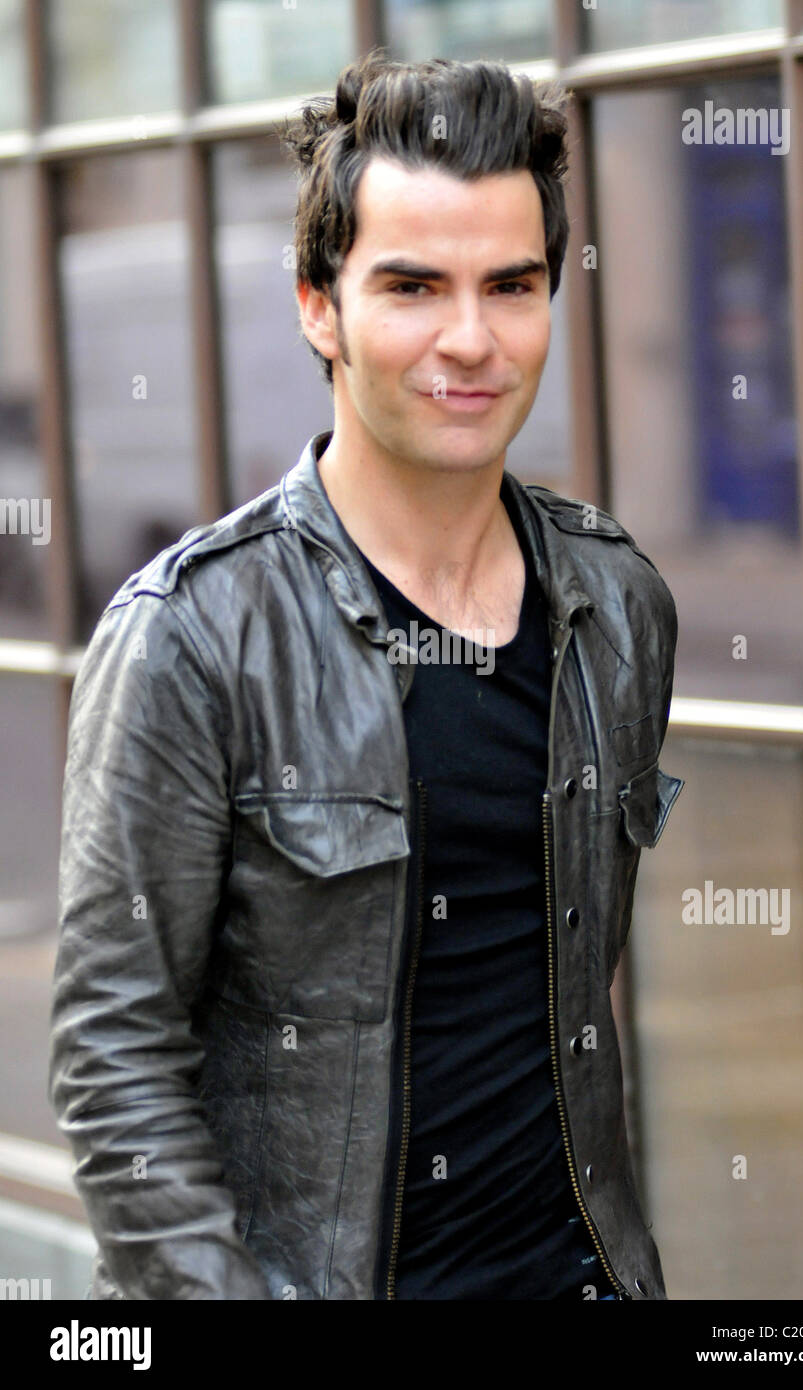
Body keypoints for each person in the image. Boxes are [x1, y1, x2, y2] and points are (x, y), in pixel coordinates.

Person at [48, 47, 684, 1301]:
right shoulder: (192, 635)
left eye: (511, 284)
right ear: (317, 305)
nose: (470, 339)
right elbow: (114, 1056)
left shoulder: (616, 603)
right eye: (411, 285)